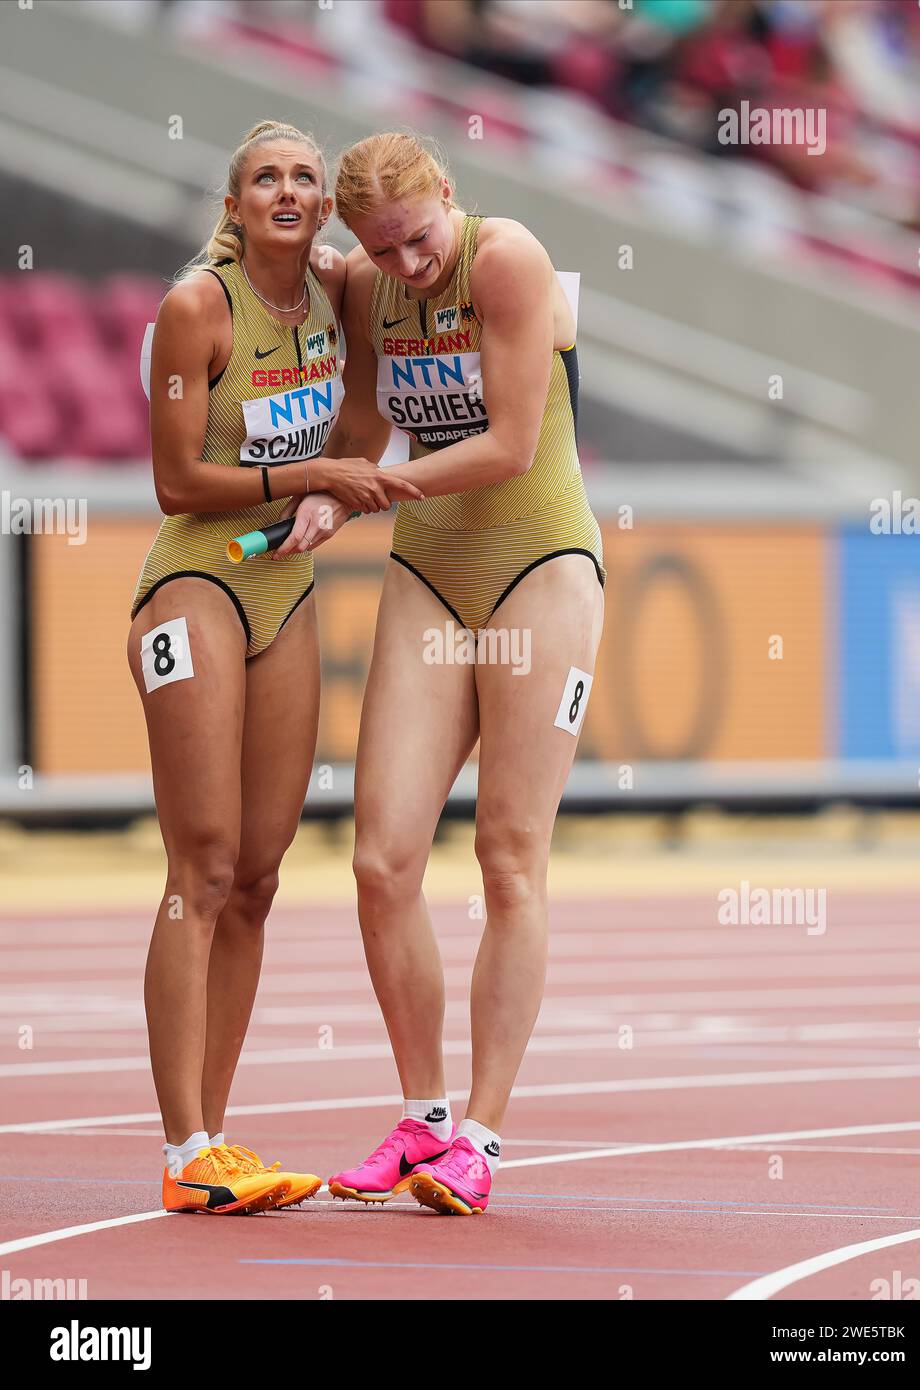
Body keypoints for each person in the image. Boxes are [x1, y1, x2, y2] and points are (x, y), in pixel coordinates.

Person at [278, 131, 605, 1214]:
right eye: (379, 248)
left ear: (448, 201)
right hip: (431, 570)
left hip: (538, 565)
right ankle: (422, 1118)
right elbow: (368, 424)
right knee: (381, 859)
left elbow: (511, 445)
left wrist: (374, 488)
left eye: (416, 241)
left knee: (509, 855)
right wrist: (330, 487)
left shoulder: (504, 258)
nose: (405, 266)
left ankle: (484, 1133)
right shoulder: (372, 282)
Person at [127, 119, 421, 1215]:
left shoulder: (344, 287)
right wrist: (317, 470)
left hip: (282, 589)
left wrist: (329, 492)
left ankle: (215, 1140)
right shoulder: (196, 308)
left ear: (326, 208)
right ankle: (182, 1145)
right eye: (266, 178)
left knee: (257, 877)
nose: (288, 190)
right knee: (200, 867)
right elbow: (174, 483)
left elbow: (373, 404)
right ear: (237, 203)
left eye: (305, 176)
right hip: (195, 584)